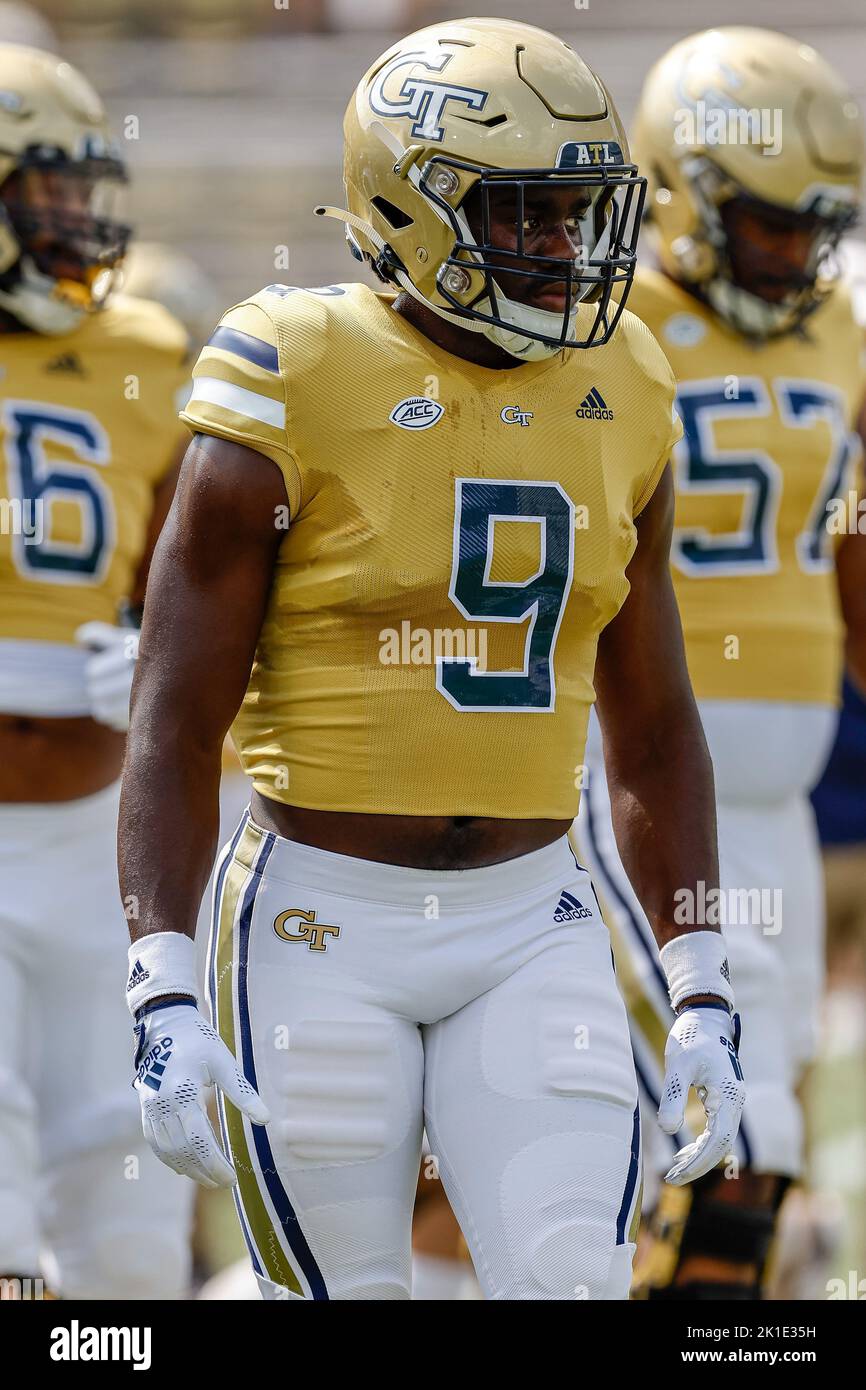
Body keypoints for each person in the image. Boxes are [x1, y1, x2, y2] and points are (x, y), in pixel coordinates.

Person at [119, 16, 744, 1302]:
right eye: (528, 212)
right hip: (315, 918)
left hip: (534, 916)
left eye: (582, 211)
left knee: (571, 1280)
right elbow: (173, 720)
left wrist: (698, 979)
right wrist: (162, 986)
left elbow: (653, 717)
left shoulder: (625, 377)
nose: (568, 247)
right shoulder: (295, 364)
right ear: (408, 209)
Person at [573, 26, 866, 1299]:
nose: (795, 257)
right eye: (766, 225)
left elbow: (852, 556)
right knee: (708, 1136)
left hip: (778, 805)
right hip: (634, 779)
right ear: (685, 196)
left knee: (763, 1154)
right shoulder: (606, 324)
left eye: (815, 229)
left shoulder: (839, 337)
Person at [0, 45, 195, 1298]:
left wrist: (159, 656)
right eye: (42, 195)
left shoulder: (147, 351)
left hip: (95, 831)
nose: (74, 222)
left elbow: (208, 585)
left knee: (127, 1226)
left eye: (81, 194)